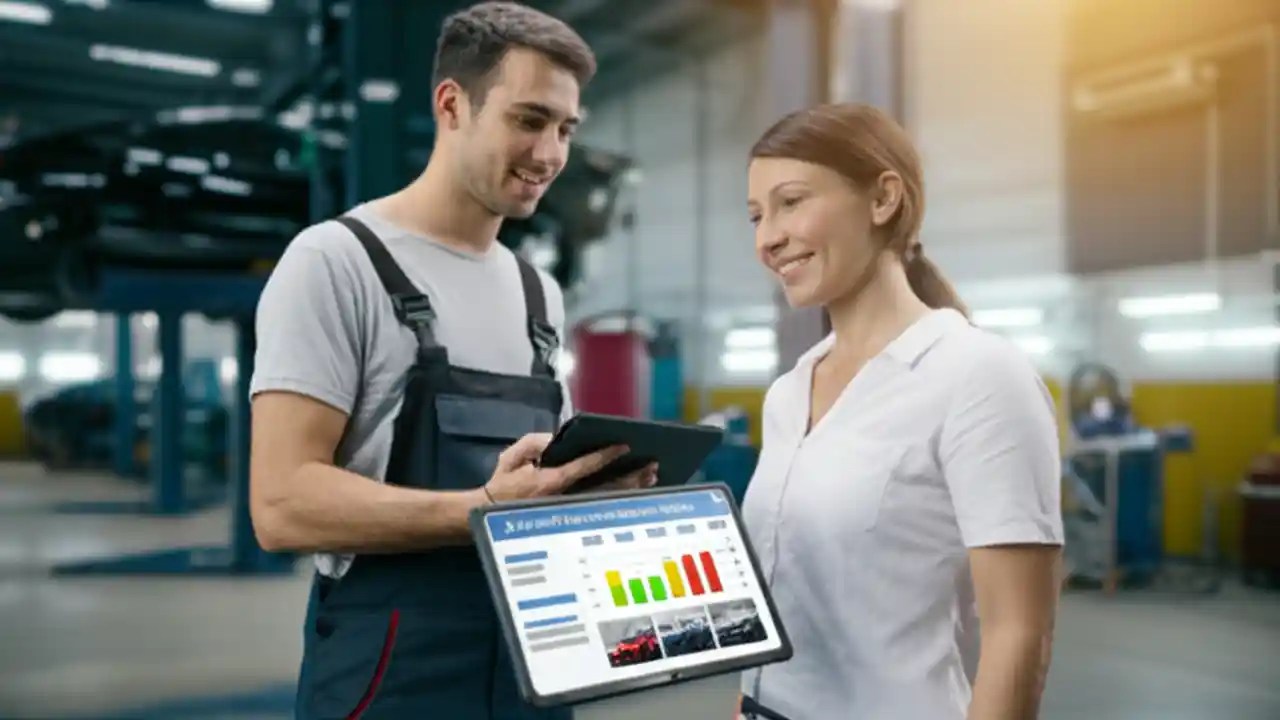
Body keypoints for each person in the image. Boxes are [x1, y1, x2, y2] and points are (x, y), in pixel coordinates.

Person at [247, 3, 656, 718]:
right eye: (529, 120)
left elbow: (529, 486)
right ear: (451, 105)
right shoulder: (337, 262)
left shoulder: (540, 295)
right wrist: (482, 511)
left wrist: (589, 495)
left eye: (565, 129)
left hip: (533, 655)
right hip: (395, 667)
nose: (551, 154)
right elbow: (280, 505)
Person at [739, 103, 1064, 719]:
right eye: (756, 216)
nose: (768, 237)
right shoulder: (788, 392)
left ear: (884, 198)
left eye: (791, 202)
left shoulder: (978, 376)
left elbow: (1019, 635)